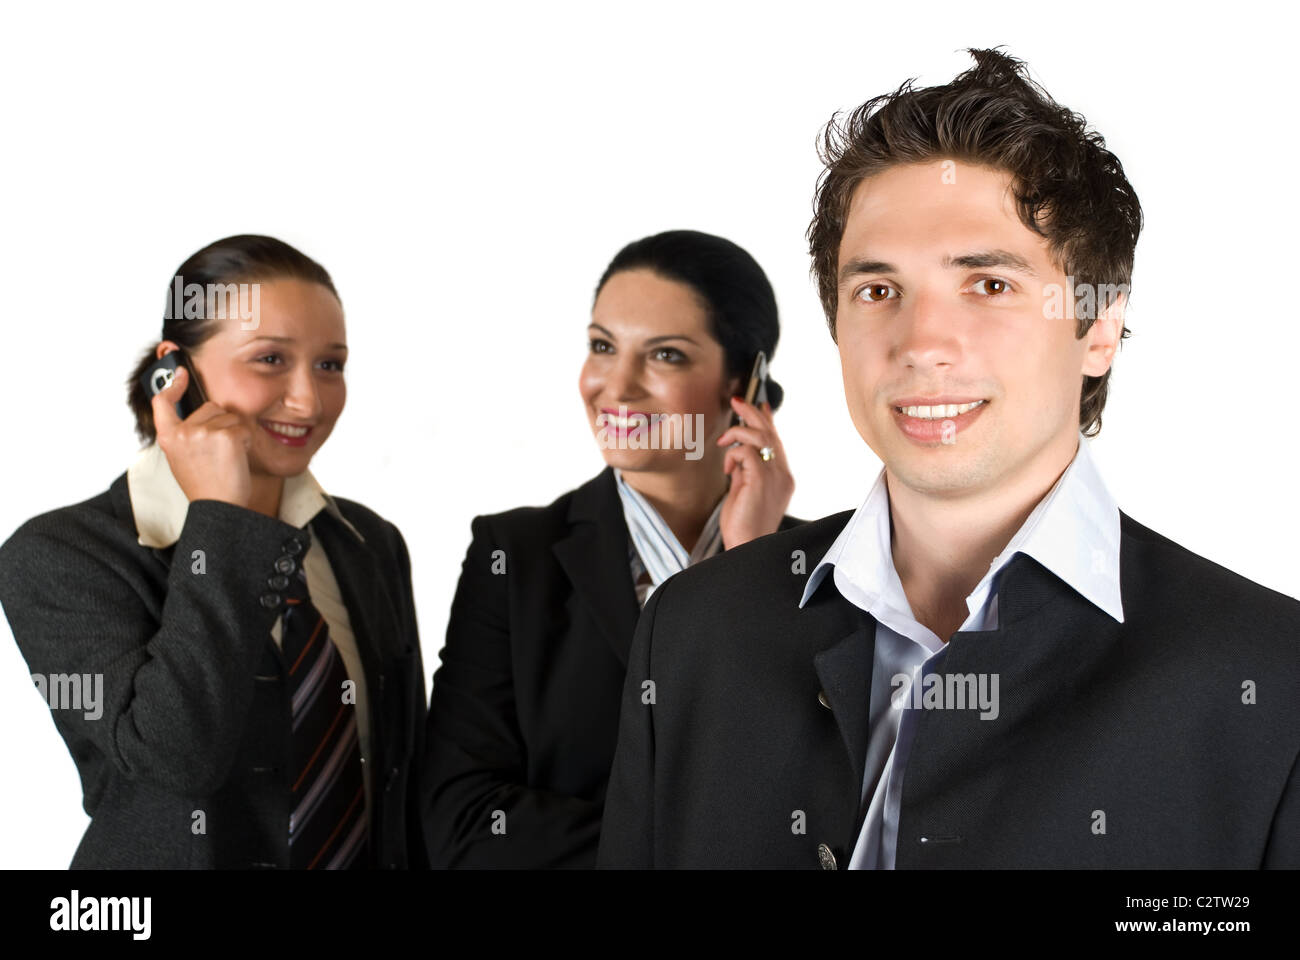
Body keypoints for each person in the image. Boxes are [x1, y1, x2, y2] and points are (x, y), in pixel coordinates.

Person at [598, 49, 1300, 869]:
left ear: (1099, 327)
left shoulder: (1271, 681)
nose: (922, 344)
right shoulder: (691, 635)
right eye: (878, 290)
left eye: (989, 285)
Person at [0, 235, 427, 869]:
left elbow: (401, 777)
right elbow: (177, 759)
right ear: (173, 372)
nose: (308, 400)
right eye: (270, 360)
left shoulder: (367, 543)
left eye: (329, 365)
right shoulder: (60, 556)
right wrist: (222, 522)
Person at [423, 229, 801, 867]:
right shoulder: (513, 557)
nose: (616, 386)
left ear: (745, 380)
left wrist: (749, 572)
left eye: (666, 356)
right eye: (603, 346)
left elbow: (828, 807)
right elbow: (461, 821)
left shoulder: (816, 566)